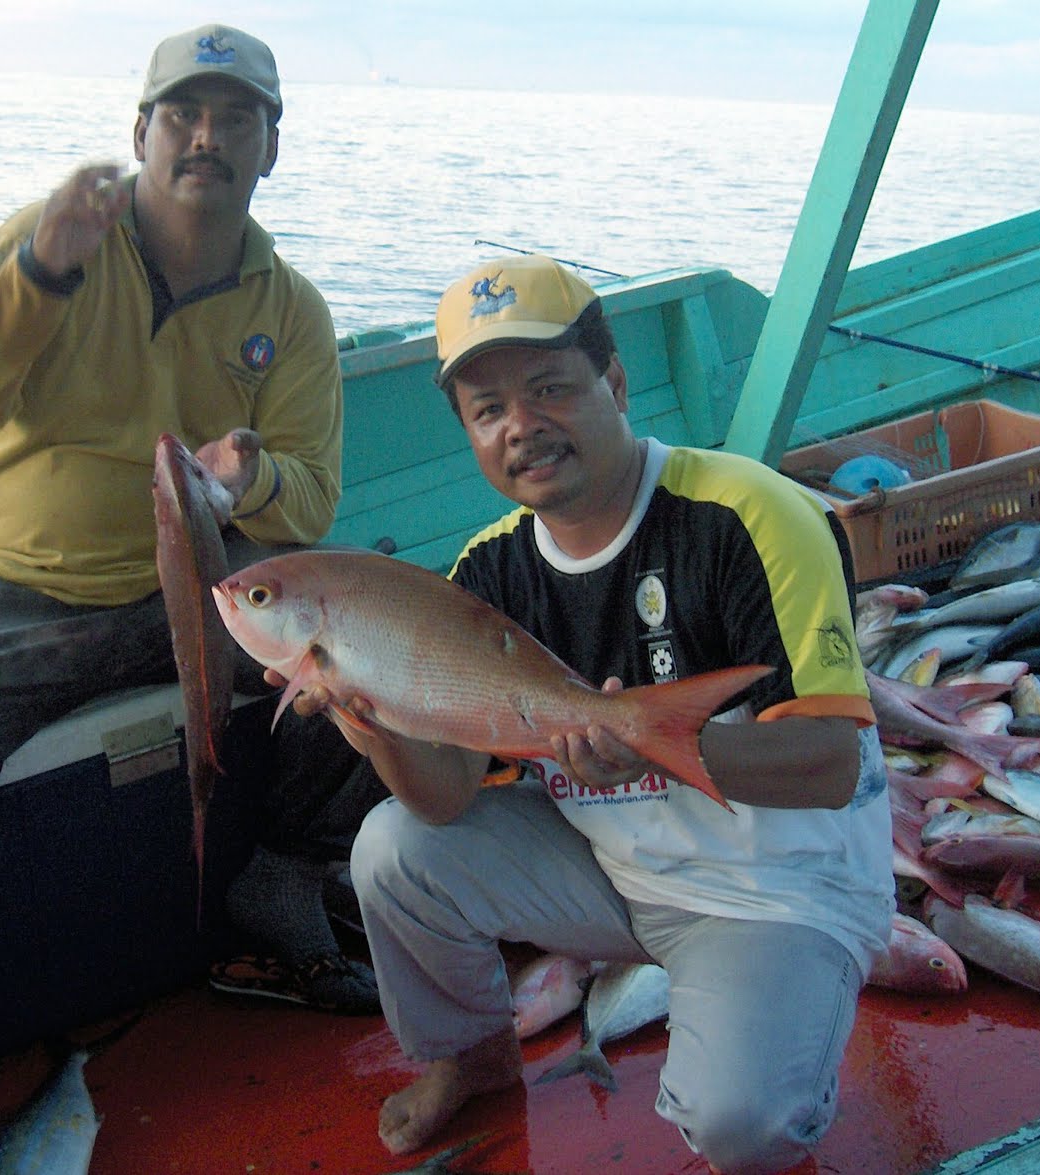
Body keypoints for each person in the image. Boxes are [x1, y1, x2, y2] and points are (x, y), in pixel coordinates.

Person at [0, 24, 376, 1174]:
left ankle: (282, 880)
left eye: (236, 118)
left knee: (364, 636)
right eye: (184, 113)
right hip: (3, 592)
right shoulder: (55, 242)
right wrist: (39, 272)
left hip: (188, 591)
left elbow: (312, 494)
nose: (207, 136)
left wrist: (250, 478)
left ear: (271, 146)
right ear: (141, 132)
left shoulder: (291, 308)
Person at [306, 254, 895, 1173]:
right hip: (608, 867)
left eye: (550, 388)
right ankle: (475, 1055)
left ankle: (779, 1022)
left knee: (744, 1127)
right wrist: (372, 723)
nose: (521, 426)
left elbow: (830, 765)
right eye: (488, 410)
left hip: (776, 888)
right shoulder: (487, 572)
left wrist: (650, 749)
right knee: (392, 848)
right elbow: (445, 800)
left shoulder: (750, 514)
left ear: (615, 383)